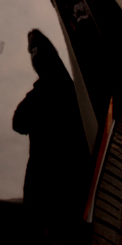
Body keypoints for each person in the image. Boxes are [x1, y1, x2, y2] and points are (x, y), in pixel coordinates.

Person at [12, 30, 88, 222]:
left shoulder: (47, 93)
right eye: (30, 51)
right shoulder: (74, 91)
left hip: (50, 192)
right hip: (67, 193)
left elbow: (18, 122)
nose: (32, 56)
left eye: (34, 50)